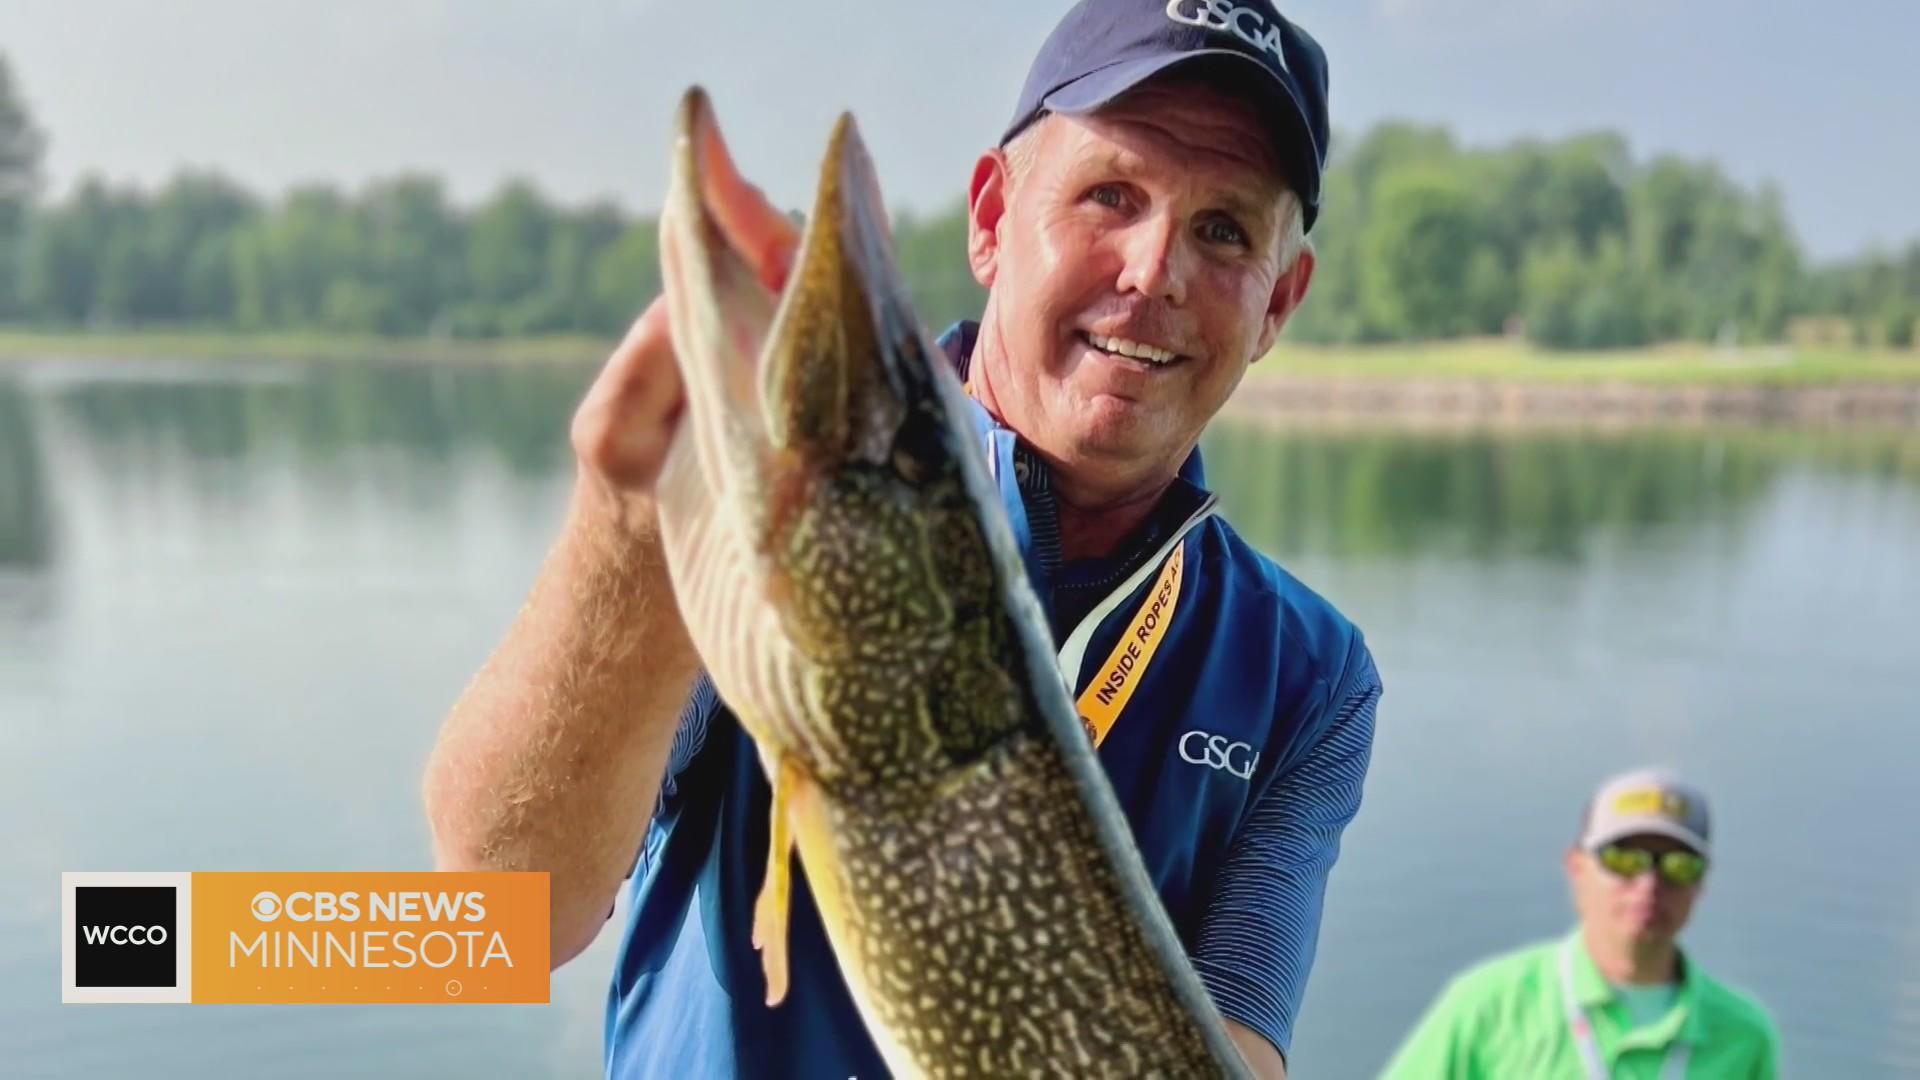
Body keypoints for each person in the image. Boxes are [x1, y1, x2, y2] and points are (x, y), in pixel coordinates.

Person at [423, 2, 1381, 1076]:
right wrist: (629, 523)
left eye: (1224, 231)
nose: (1155, 271)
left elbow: (1237, 1046)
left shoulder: (1308, 670)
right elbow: (497, 918)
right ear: (992, 218)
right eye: (1112, 194)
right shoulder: (763, 546)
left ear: (1279, 303)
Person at [1381, 769, 1781, 1079]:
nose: (1649, 885)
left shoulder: (1744, 1034)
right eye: (1625, 860)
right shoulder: (1489, 1006)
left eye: (1677, 865)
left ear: (1700, 883)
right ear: (1576, 866)